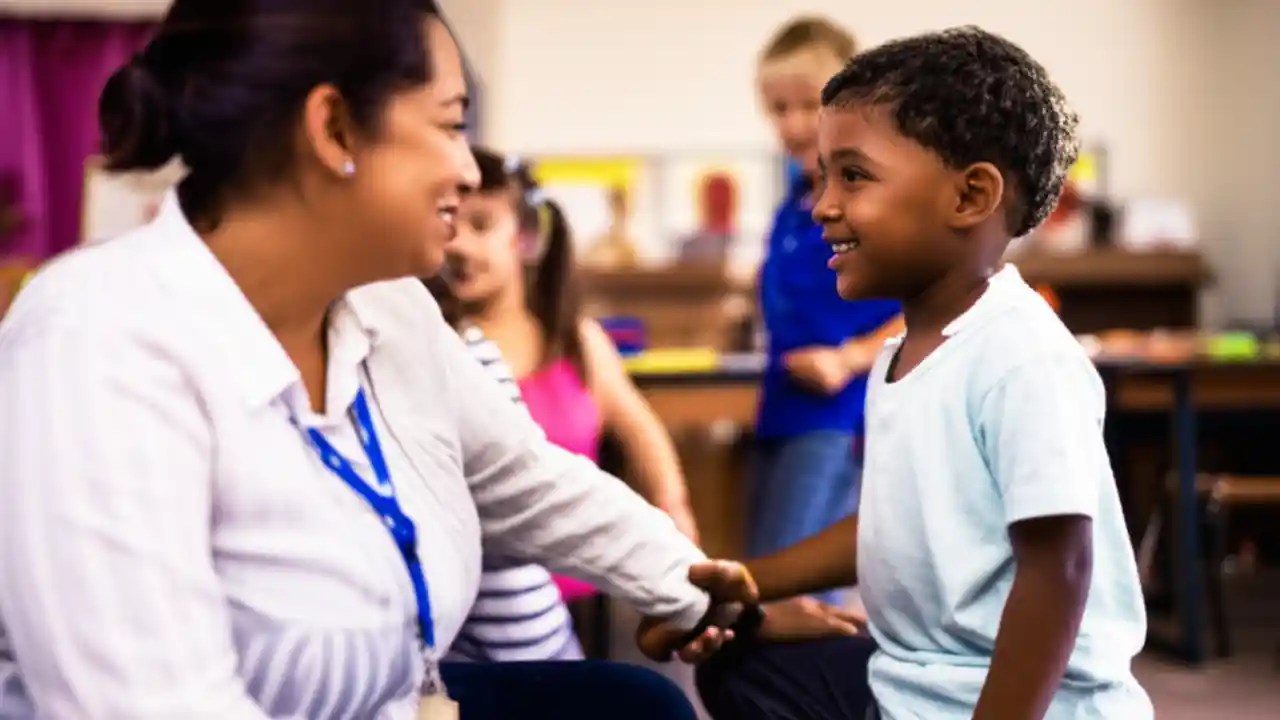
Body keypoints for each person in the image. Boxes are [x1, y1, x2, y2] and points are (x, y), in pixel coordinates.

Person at [0, 3, 755, 718]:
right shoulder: (97, 340)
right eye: (451, 126)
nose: (467, 168)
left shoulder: (390, 306)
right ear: (333, 129)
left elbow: (525, 479)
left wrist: (704, 594)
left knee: (637, 703)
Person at [698, 27, 1153, 720]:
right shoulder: (902, 355)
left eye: (853, 175)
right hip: (917, 686)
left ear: (970, 196)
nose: (823, 204)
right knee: (745, 664)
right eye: (824, 175)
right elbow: (888, 526)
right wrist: (748, 581)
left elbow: (1059, 570)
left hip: (1024, 704)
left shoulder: (1022, 355)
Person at [429, 147, 699, 662]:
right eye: (448, 225)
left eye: (481, 225)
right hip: (494, 611)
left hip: (587, 588)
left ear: (525, 238)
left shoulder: (574, 339)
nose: (459, 245)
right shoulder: (447, 348)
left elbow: (640, 430)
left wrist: (675, 512)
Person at [750, 17, 903, 593]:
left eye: (805, 104)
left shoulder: (871, 198)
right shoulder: (792, 204)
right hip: (781, 411)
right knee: (767, 566)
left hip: (840, 418)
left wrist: (851, 358)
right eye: (776, 108)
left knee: (796, 583)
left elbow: (936, 301)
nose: (790, 123)